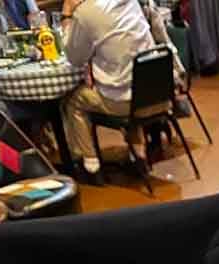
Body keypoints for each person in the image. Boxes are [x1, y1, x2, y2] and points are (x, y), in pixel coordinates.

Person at [61, 0, 162, 184]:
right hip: (158, 93)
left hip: (127, 103)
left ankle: (91, 165)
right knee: (128, 81)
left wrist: (67, 15)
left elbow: (74, 57)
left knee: (73, 100)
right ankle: (138, 156)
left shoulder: (85, 12)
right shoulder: (131, 2)